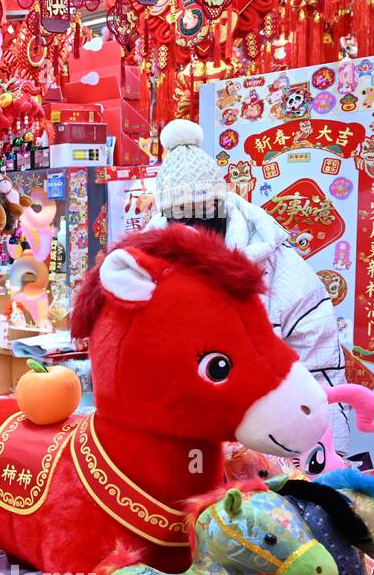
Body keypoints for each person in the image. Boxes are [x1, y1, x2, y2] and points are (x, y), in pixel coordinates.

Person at [149, 119, 351, 450]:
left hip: (270, 450)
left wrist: (327, 469)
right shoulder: (147, 263)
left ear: (221, 209)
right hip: (175, 447)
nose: (192, 229)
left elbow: (321, 380)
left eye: (202, 216)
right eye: (180, 219)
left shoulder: (287, 278)